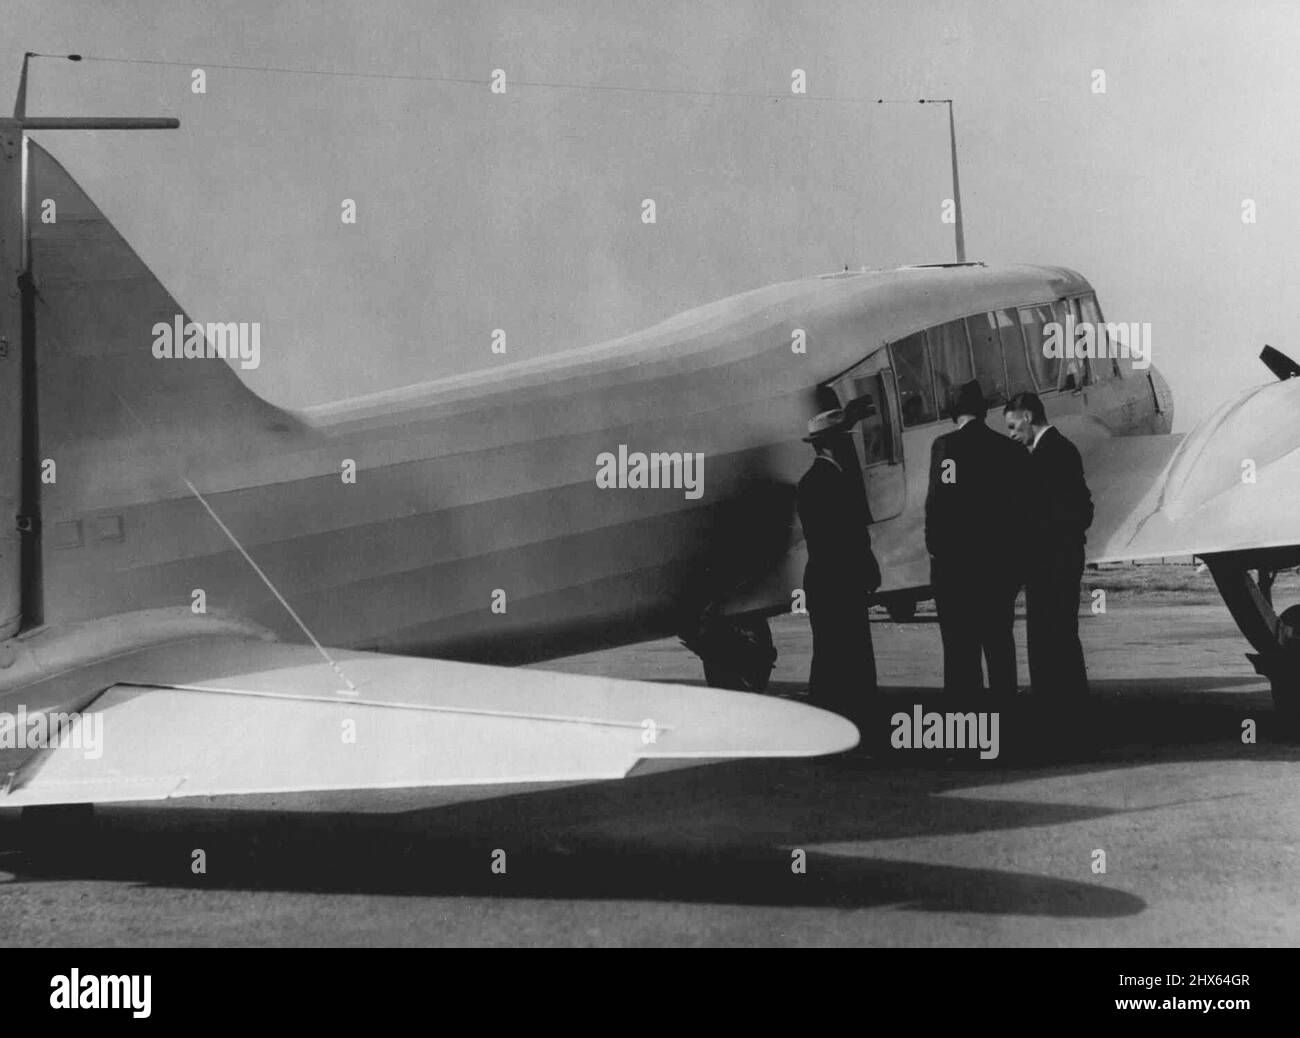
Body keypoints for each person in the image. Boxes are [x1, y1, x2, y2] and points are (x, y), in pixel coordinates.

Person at [925, 380, 1030, 694]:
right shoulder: (1010, 449)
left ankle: (966, 728)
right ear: (985, 412)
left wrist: (938, 554)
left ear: (954, 413)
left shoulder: (945, 448)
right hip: (998, 571)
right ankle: (1007, 723)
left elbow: (938, 503)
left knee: (960, 655)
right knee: (999, 648)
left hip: (955, 571)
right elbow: (1021, 511)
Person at [1003, 391, 1093, 700]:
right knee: (1060, 636)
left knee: (1049, 638)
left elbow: (1069, 510)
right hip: (1060, 559)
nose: (1012, 435)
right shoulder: (1060, 448)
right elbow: (1083, 509)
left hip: (1050, 563)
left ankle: (1057, 709)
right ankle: (1065, 706)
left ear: (1028, 417)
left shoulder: (1050, 452)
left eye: (1013, 426)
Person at [797, 408, 882, 717]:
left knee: (828, 655)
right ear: (833, 443)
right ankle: (856, 720)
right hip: (842, 580)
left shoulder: (809, 482)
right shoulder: (835, 481)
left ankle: (828, 720)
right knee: (854, 654)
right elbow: (850, 539)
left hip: (821, 579)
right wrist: (868, 573)